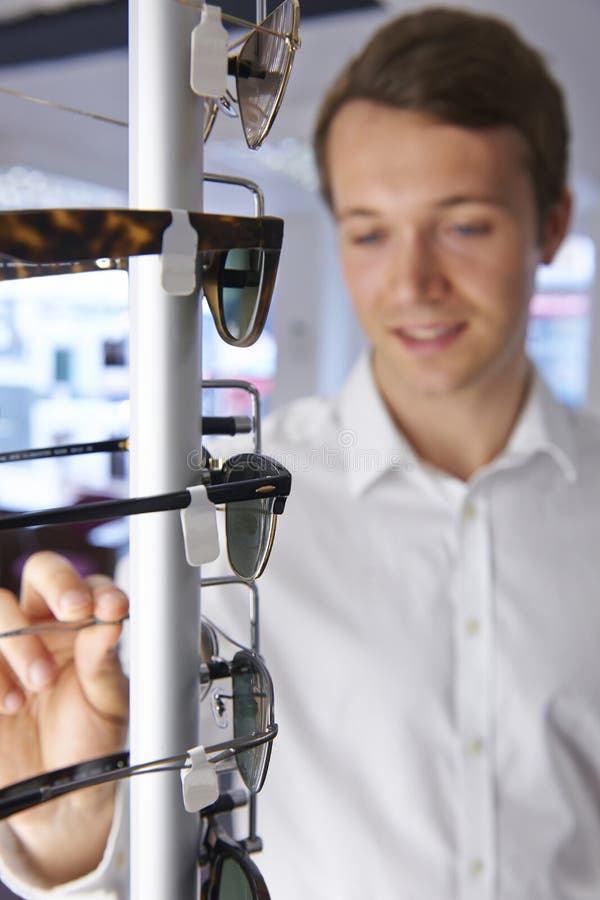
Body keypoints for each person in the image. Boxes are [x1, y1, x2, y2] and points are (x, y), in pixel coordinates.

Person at [1, 5, 599, 898]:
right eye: (369, 231)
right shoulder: (216, 514)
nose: (413, 284)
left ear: (551, 225)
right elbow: (157, 847)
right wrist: (71, 828)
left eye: (465, 224)